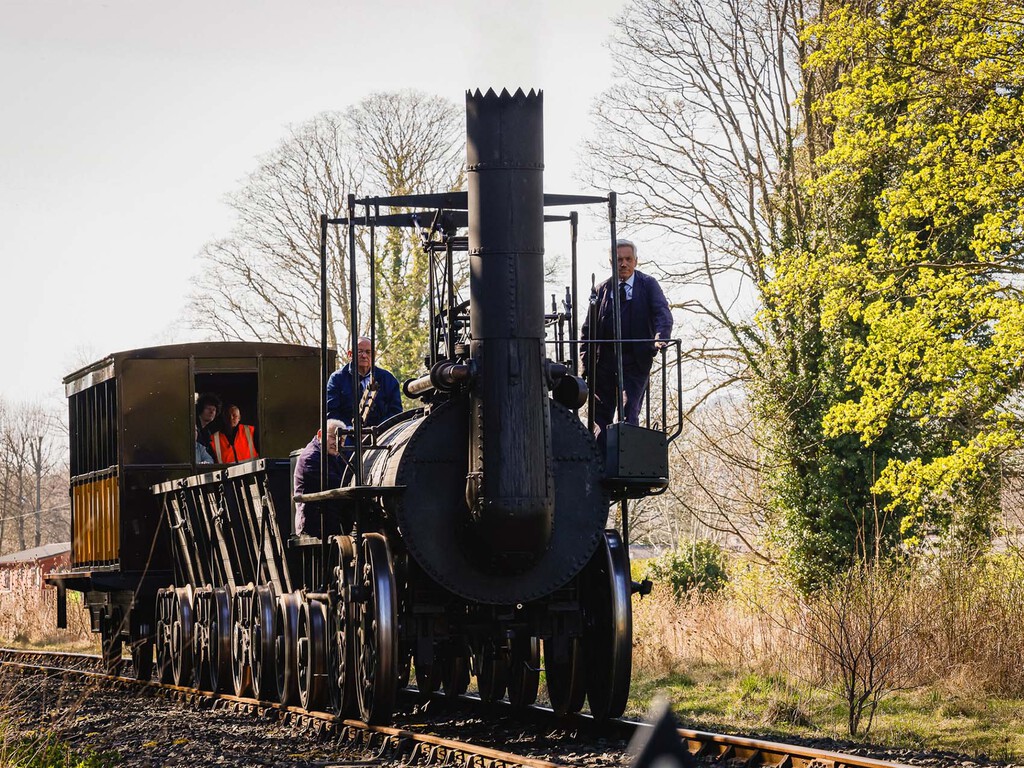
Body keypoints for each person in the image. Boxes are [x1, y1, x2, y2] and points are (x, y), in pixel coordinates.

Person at [581, 238, 673, 436]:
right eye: (619, 260)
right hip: (604, 362)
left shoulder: (648, 285)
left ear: (635, 261)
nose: (624, 264)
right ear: (611, 262)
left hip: (635, 360)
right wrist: (586, 363)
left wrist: (660, 338)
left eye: (628, 259)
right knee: (600, 418)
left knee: (628, 412)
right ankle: (602, 461)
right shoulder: (601, 290)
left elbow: (662, 313)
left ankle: (625, 460)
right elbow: (588, 329)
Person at [326, 336, 402, 429]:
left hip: (381, 435)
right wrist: (351, 431)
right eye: (360, 351)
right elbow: (331, 412)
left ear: (374, 355)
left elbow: (396, 412)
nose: (364, 356)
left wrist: (378, 430)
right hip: (346, 436)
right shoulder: (337, 379)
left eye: (368, 352)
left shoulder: (388, 379)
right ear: (350, 354)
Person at [293, 419, 347, 537]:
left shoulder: (334, 455)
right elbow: (336, 484)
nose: (337, 443)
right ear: (320, 434)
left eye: (342, 440)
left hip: (330, 519)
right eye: (333, 437)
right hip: (316, 525)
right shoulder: (311, 458)